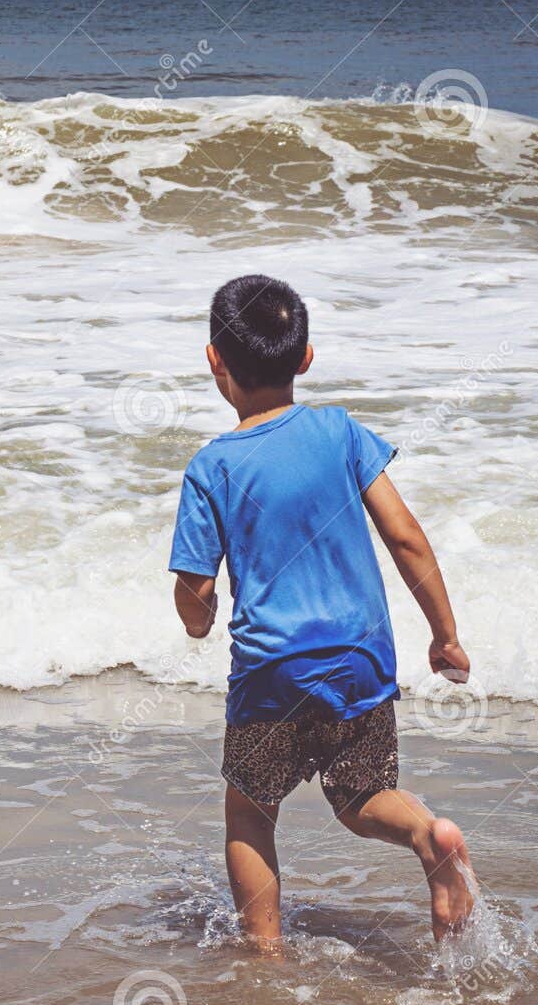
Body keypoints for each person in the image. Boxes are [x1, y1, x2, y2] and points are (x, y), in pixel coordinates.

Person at [169, 274, 476, 950]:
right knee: (363, 795)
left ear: (214, 359)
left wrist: (199, 617)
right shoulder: (340, 431)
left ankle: (267, 956)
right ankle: (430, 835)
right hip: (359, 659)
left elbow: (194, 590)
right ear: (306, 357)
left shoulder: (211, 468)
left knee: (250, 810)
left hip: (271, 671)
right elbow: (406, 537)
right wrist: (444, 635)